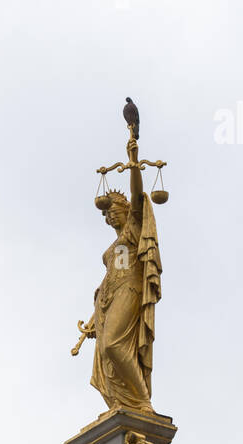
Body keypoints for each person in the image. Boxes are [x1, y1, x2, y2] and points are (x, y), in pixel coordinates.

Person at [84, 136, 161, 415]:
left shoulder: (133, 230)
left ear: (126, 210)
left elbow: (139, 197)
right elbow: (108, 277)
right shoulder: (114, 248)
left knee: (114, 344)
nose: (109, 218)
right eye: (106, 217)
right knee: (106, 352)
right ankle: (120, 402)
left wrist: (133, 164)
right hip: (109, 297)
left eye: (112, 212)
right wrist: (94, 316)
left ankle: (141, 402)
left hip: (129, 290)